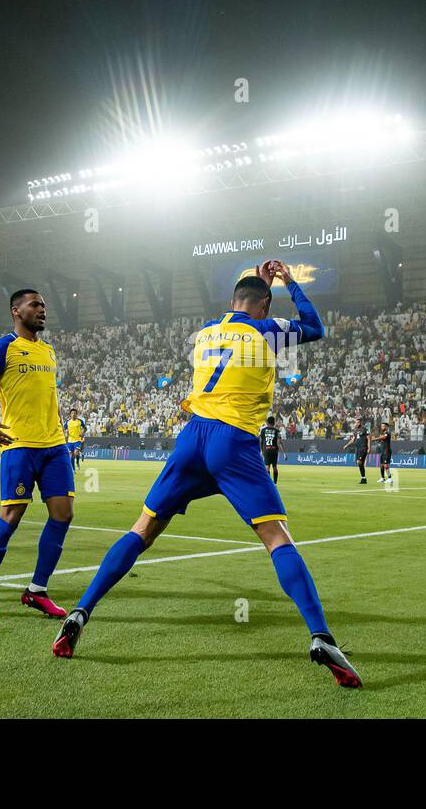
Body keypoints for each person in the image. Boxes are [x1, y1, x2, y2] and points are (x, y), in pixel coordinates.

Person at [51, 260, 361, 688]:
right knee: (277, 538)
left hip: (192, 438)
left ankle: (81, 610)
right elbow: (315, 326)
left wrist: (259, 285)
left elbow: (240, 315)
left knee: (141, 530)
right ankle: (321, 635)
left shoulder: (206, 332)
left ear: (231, 301)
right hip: (233, 442)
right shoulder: (267, 331)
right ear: (265, 305)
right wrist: (289, 283)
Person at [0, 288, 74, 620]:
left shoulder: (50, 352)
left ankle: (37, 590)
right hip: (19, 444)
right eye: (35, 305)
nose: (42, 309)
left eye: (44, 305)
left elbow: (49, 398)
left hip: (54, 445)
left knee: (63, 514)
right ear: (16, 310)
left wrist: (62, 432)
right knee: (11, 517)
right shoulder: (2, 348)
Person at [342, 419, 369, 483]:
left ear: (360, 423)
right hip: (357, 448)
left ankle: (363, 478)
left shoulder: (364, 429)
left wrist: (369, 448)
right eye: (356, 422)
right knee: (358, 462)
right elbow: (353, 440)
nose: (357, 423)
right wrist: (346, 445)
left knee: (359, 462)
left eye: (358, 422)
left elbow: (369, 438)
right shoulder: (355, 430)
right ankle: (363, 478)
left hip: (363, 448)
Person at [260, 415, 284, 483]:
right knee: (275, 467)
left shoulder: (263, 430)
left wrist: (262, 450)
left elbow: (261, 441)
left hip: (266, 450)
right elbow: (279, 442)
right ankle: (275, 482)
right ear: (273, 422)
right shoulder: (277, 431)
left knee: (267, 467)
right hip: (274, 450)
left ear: (267, 422)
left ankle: (268, 482)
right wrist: (284, 453)